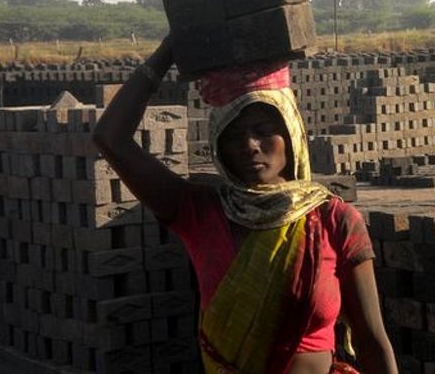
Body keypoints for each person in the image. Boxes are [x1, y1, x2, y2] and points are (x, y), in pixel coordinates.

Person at [92, 37, 398, 374]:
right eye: (233, 134)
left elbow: (372, 339)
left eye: (263, 131)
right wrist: (168, 51)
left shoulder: (333, 220)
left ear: (291, 133)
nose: (250, 145)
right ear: (218, 144)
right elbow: (111, 139)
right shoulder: (201, 212)